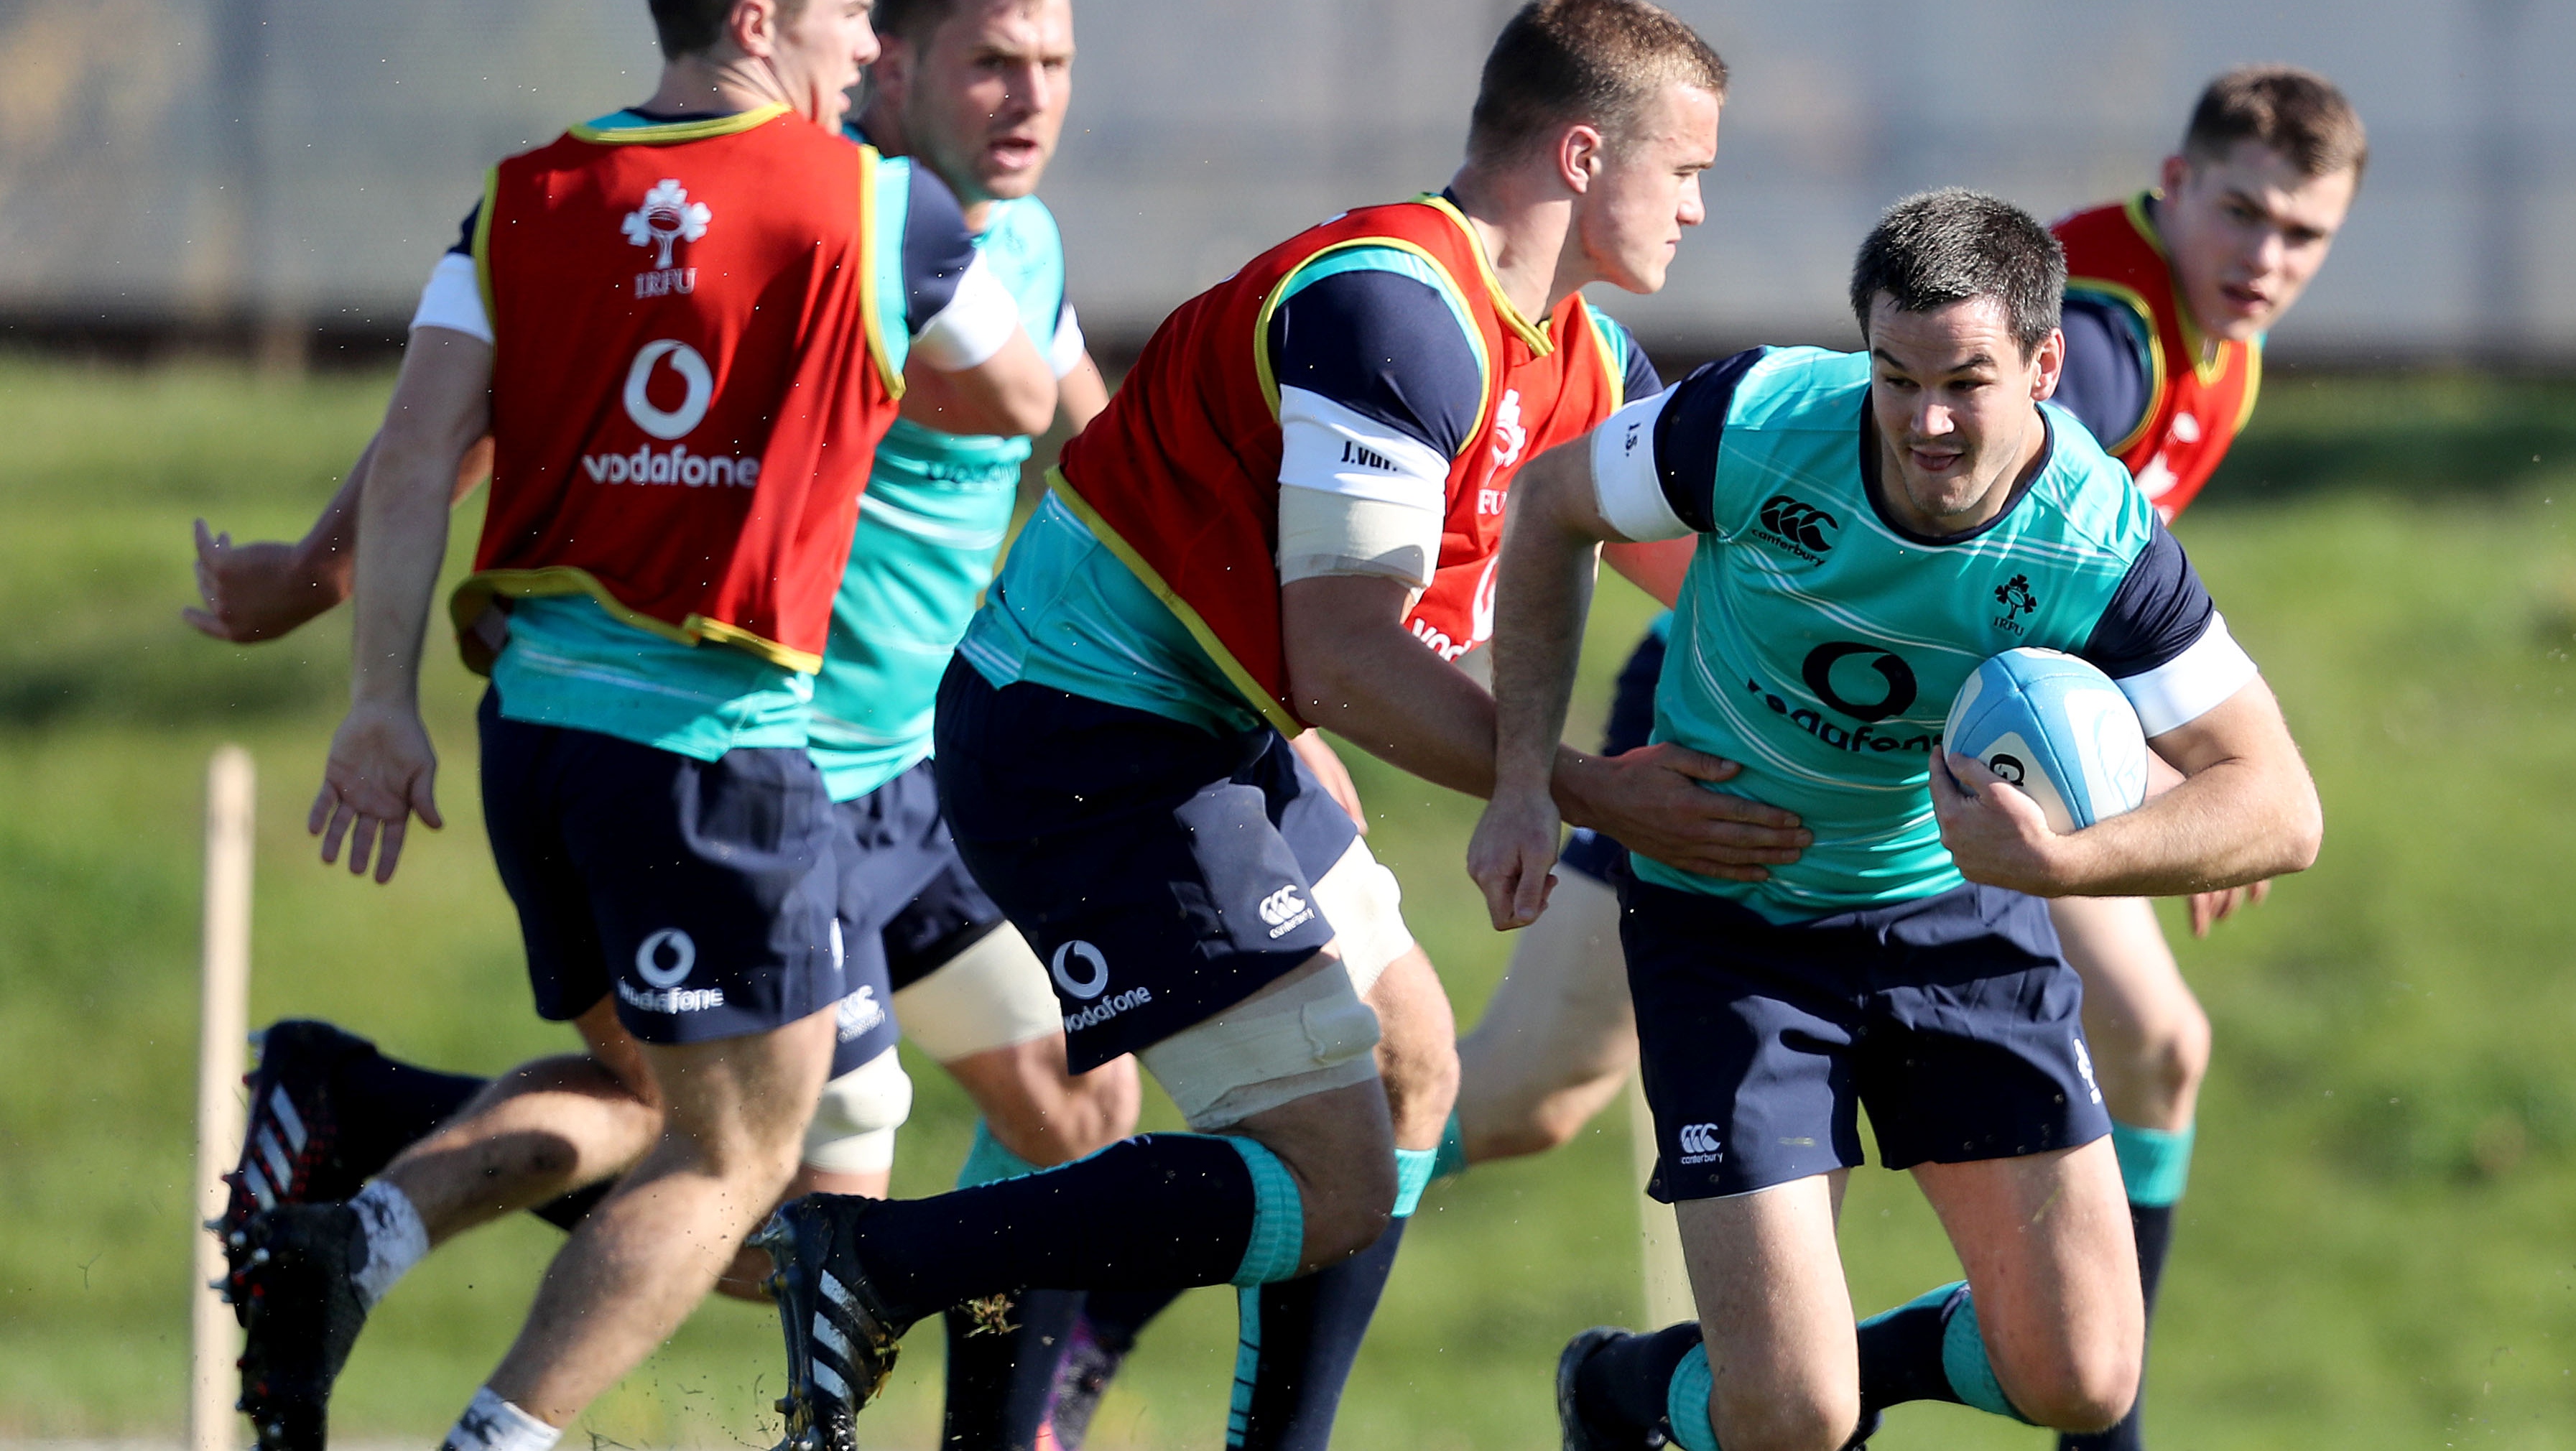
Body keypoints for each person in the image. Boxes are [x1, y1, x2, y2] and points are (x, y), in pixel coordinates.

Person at [757, 7, 1769, 1451]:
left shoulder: (1577, 354)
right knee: (1331, 1171)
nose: (1697, 203)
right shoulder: (1394, 307)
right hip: (1079, 741)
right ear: (1583, 150)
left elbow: (1714, 565)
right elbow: (1347, 655)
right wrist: (1590, 790)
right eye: (1684, 167)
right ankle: (874, 1259)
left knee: (1414, 1058)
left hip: (1200, 729)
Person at [1444, 64, 2365, 1451]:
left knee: (2083, 1381)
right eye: (1897, 378)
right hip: (1730, 921)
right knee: (1792, 1413)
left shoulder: (2099, 536)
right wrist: (1530, 776)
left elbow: (2278, 804)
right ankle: (1648, 1392)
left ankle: (1676, 1384)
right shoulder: (1754, 419)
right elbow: (1553, 504)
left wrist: (2079, 857)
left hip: (1952, 915)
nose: (1925, 422)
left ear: (2043, 373)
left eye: (1967, 386)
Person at [213, 3, 1059, 1450]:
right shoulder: (873, 204)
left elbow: (422, 446)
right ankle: (499, 1428)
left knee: (660, 1097)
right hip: (715, 752)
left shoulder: (528, 193)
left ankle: (360, 1218)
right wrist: (830, 359)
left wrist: (375, 701)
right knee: (748, 1158)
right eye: (844, 13)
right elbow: (1019, 394)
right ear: (755, 19)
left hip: (532, 733)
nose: (864, 43)